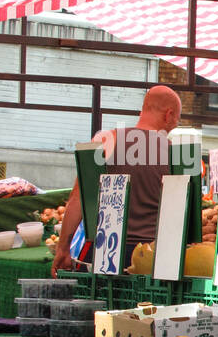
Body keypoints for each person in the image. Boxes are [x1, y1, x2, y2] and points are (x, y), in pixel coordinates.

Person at [52, 85, 182, 277]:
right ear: (168, 114)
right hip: (151, 259)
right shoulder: (176, 154)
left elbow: (78, 198)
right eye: (176, 120)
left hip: (105, 252)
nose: (174, 126)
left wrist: (63, 248)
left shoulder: (107, 140)